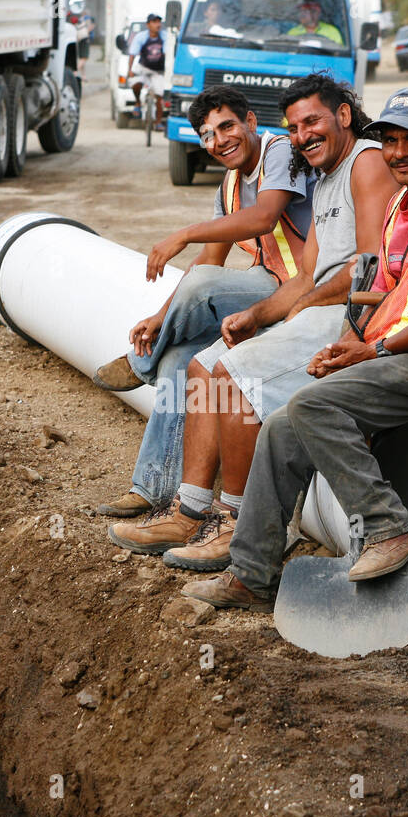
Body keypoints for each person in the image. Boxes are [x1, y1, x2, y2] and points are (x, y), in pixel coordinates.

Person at [181, 88, 408, 611]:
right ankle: (251, 574)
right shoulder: (407, 203)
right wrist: (351, 340)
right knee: (283, 424)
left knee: (313, 404)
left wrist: (372, 351)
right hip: (400, 351)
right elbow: (386, 290)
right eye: (393, 140)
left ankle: (388, 529)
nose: (400, 152)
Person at [108, 74, 397, 570]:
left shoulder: (364, 163)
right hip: (312, 302)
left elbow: (372, 265)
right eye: (296, 126)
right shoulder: (324, 175)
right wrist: (258, 315)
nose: (303, 135)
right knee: (201, 366)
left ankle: (236, 522)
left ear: (343, 116)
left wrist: (303, 306)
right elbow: (305, 272)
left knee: (232, 376)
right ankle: (189, 509)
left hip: (353, 315)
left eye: (312, 122)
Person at [93, 85, 315, 517]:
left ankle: (139, 363)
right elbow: (210, 260)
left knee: (203, 288)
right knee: (180, 362)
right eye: (207, 135)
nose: (218, 141)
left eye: (226, 126)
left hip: (298, 291)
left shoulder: (279, 153)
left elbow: (265, 216)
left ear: (250, 122)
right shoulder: (230, 183)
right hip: (265, 282)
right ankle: (153, 487)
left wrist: (184, 232)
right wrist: (161, 316)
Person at [127, 13, 166, 123]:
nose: (157, 25)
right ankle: (138, 102)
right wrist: (129, 70)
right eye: (154, 22)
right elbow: (132, 54)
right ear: (148, 25)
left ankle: (158, 122)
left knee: (160, 96)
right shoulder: (141, 37)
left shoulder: (165, 36)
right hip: (143, 68)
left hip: (158, 71)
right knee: (135, 84)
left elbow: (168, 53)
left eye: (159, 22)